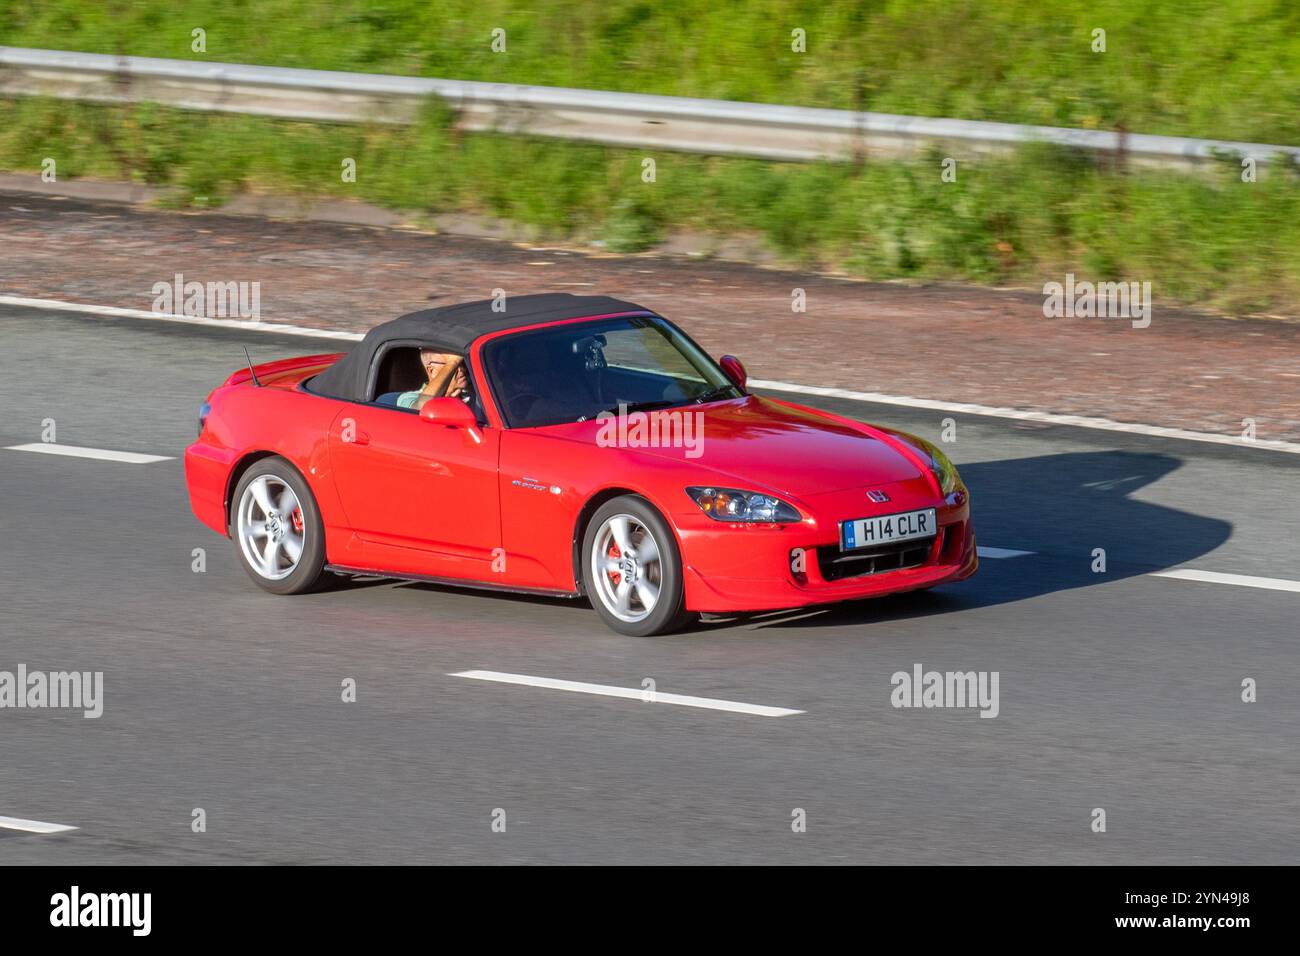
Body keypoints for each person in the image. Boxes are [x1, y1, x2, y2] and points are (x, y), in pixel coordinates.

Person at [396, 350, 468, 411]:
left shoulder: (474, 394)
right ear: (431, 371)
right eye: (452, 366)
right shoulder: (407, 398)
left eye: (461, 363)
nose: (461, 369)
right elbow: (422, 407)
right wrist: (453, 362)